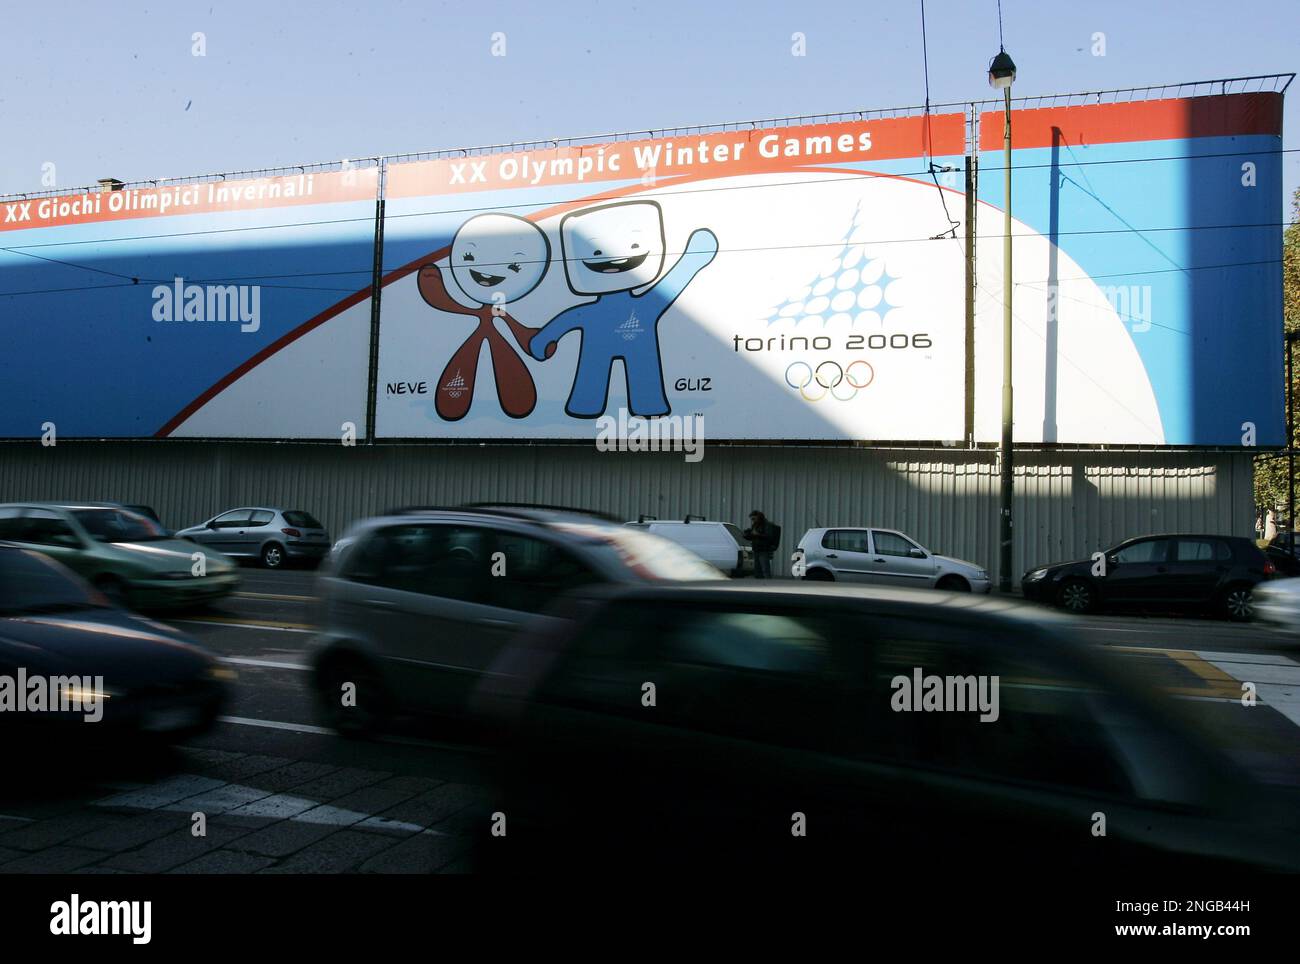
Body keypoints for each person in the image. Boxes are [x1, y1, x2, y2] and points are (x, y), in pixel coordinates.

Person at [743, 510, 780, 579]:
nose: (753, 520)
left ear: (758, 517)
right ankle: (759, 585)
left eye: (754, 518)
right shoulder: (755, 525)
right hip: (756, 549)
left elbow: (769, 536)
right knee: (757, 570)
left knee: (765, 569)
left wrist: (758, 534)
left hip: (764, 549)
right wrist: (747, 535)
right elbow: (753, 536)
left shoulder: (767, 525)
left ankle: (768, 584)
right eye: (752, 519)